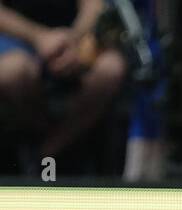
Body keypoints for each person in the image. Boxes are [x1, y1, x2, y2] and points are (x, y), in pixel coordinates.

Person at [0, 0, 128, 164]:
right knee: (13, 71)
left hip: (73, 39)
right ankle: (37, 137)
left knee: (111, 68)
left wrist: (73, 39)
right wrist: (39, 36)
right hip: (17, 36)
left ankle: (50, 150)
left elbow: (94, 5)